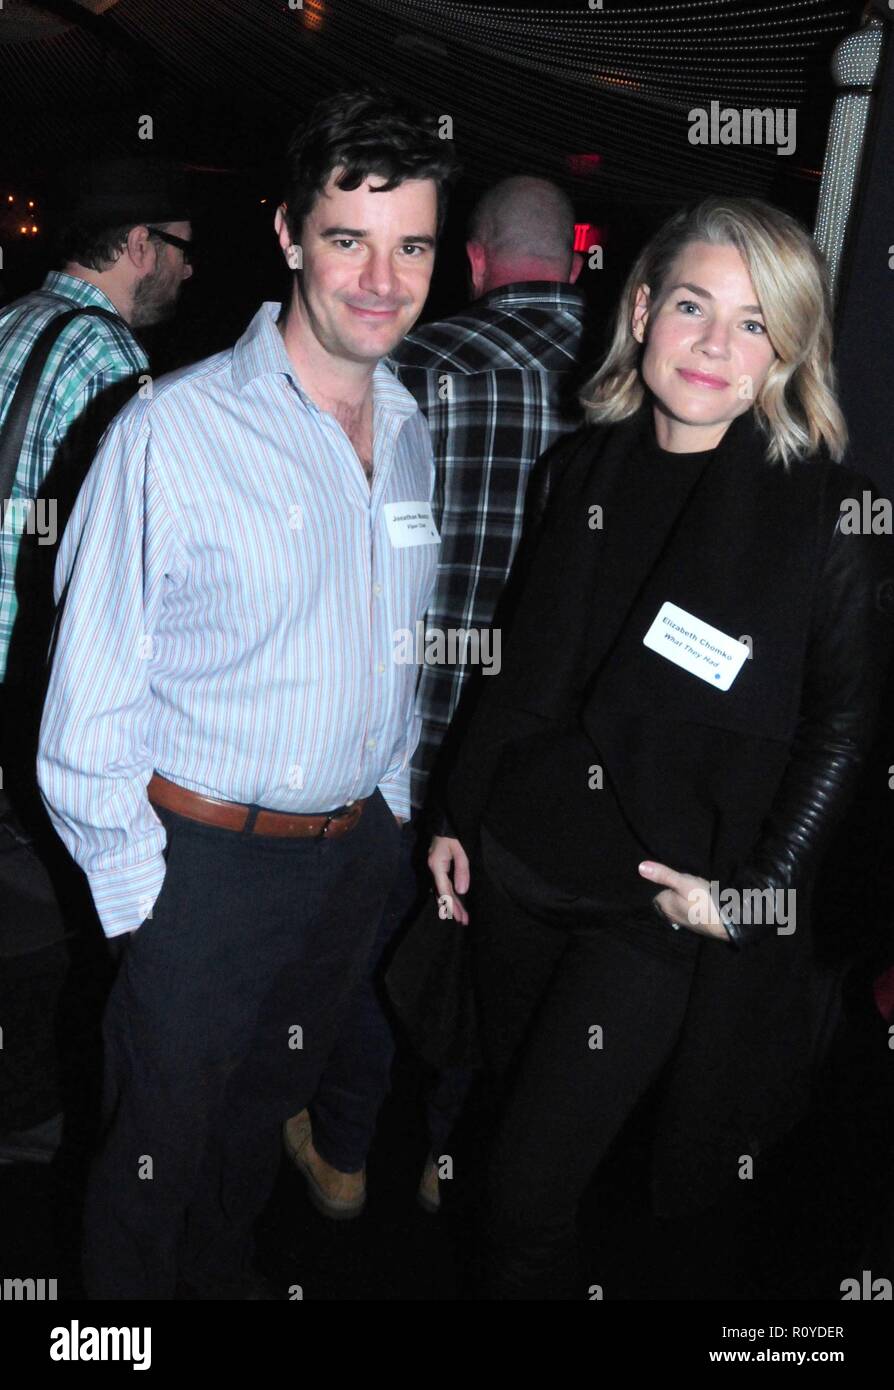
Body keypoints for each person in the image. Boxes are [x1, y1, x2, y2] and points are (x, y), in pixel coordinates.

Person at [428, 195, 894, 1298]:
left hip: (654, 910)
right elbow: (522, 668)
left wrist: (755, 894)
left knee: (521, 1193)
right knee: (531, 1137)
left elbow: (843, 728)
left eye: (752, 321)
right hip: (517, 870)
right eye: (692, 305)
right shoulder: (576, 472)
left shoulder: (830, 517)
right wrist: (457, 809)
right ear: (641, 311)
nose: (715, 345)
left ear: (787, 348)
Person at [36, 87, 457, 1300]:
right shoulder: (171, 431)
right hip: (201, 869)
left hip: (343, 871)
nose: (381, 279)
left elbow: (397, 642)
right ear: (287, 233)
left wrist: (389, 811)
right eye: (348, 238)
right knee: (148, 1176)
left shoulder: (414, 424)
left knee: (244, 1148)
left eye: (412, 245)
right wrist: (144, 909)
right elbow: (83, 712)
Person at [283, 176, 590, 1218]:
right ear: (581, 263)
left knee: (387, 940)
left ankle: (345, 1150)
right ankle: (448, 1162)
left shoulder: (421, 364)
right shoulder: (636, 380)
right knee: (495, 957)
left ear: (468, 260)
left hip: (414, 732)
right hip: (550, 752)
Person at [0, 157, 193, 1159]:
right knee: (48, 919)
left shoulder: (9, 321)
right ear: (136, 246)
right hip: (27, 691)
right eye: (181, 247)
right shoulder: (110, 361)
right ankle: (32, 1113)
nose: (191, 271)